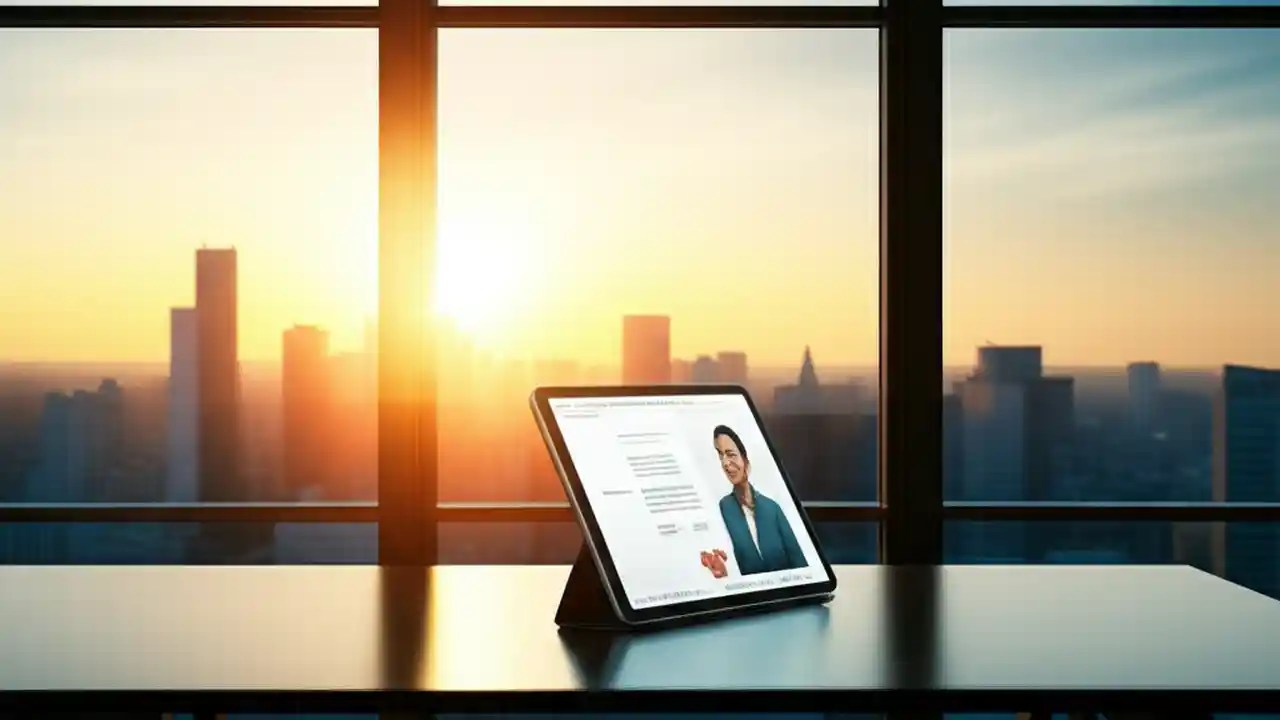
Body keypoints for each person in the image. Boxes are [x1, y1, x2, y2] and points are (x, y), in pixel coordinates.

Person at [708, 425, 806, 576]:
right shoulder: (724, 507)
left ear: (745, 460)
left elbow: (799, 562)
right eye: (721, 456)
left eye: (731, 454)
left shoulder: (771, 508)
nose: (725, 463)